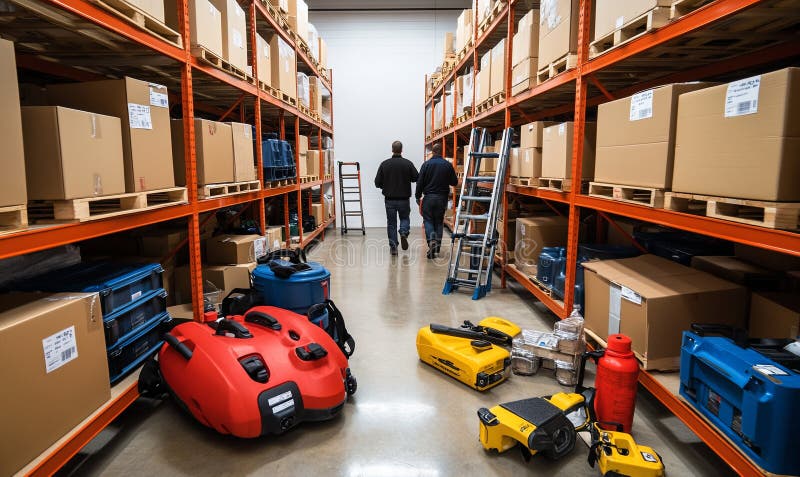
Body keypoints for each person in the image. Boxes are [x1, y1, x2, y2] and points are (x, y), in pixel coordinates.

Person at [374, 140, 419, 255]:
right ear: (401, 150)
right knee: (404, 218)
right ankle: (403, 232)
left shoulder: (384, 164)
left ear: (392, 150)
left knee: (391, 223)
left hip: (389, 200)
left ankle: (393, 247)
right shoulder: (408, 163)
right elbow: (416, 178)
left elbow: (377, 182)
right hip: (404, 199)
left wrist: (386, 185)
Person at [415, 142, 458, 259]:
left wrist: (417, 196)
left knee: (428, 220)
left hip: (428, 198)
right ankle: (437, 246)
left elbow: (420, 182)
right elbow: (454, 182)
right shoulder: (447, 165)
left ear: (433, 152)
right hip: (442, 198)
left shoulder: (426, 165)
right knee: (439, 221)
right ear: (442, 152)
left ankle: (431, 241)